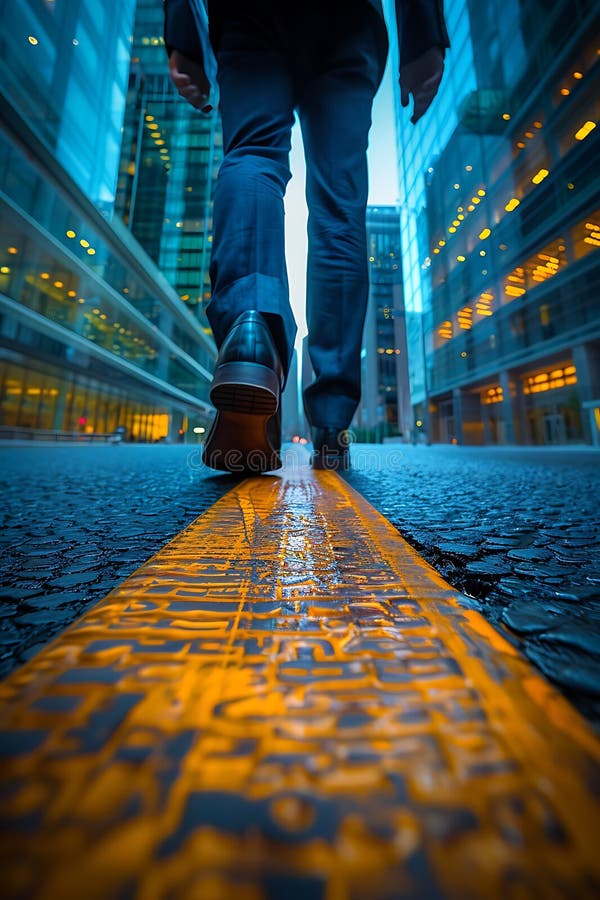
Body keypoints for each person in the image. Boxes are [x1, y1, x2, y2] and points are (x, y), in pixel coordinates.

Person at [164, 0, 449, 472]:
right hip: (349, 21)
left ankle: (251, 324)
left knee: (253, 153)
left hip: (246, 17)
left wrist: (182, 35)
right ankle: (332, 420)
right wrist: (422, 33)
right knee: (338, 204)